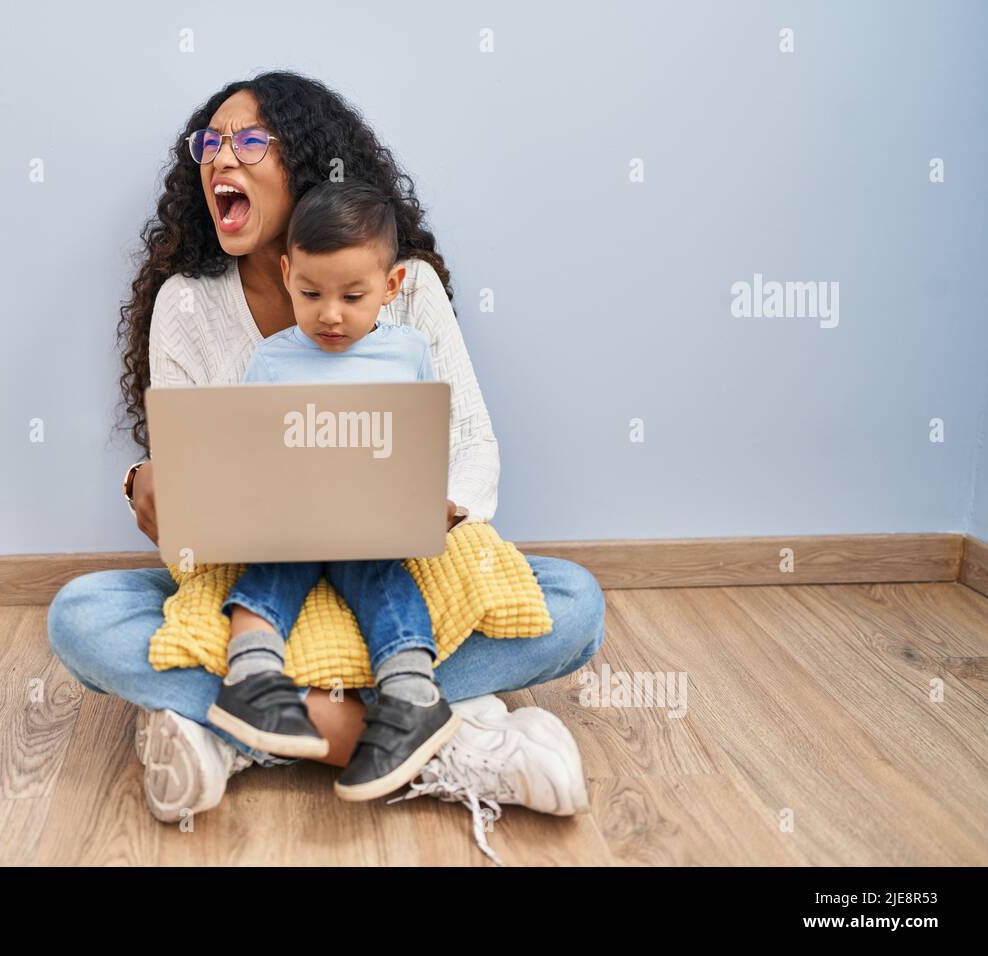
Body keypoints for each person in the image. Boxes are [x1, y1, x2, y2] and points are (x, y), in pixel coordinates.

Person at [47, 71, 605, 857]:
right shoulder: (186, 302)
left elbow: (473, 445)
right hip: (260, 591)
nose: (219, 161)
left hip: (395, 570)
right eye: (209, 145)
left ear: (305, 163)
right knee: (80, 616)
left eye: (247, 142)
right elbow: (187, 476)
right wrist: (150, 483)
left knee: (574, 602)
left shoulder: (409, 294)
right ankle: (438, 744)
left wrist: (440, 509)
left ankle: (244, 738)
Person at [205, 180, 463, 803]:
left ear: (392, 287)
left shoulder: (408, 351)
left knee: (379, 571)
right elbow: (246, 449)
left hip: (373, 520)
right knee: (274, 562)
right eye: (310, 293)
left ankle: (411, 696)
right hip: (292, 517)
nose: (329, 314)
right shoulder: (270, 361)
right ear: (288, 274)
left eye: (353, 297)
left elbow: (430, 438)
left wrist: (436, 499)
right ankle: (254, 681)